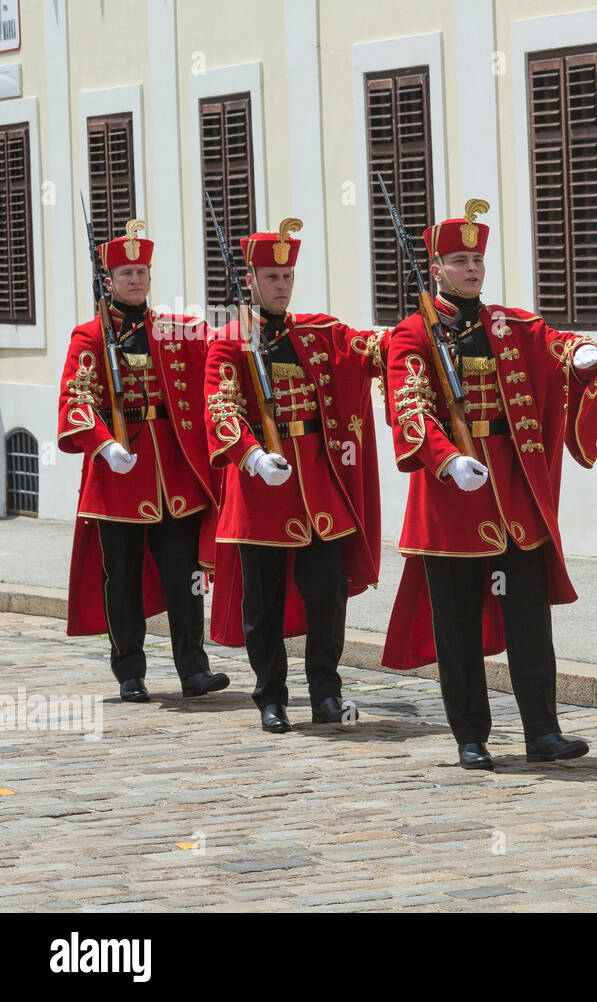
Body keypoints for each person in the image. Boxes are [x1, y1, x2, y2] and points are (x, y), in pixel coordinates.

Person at [381, 201, 597, 770]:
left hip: (513, 493)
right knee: (457, 626)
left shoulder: (509, 324)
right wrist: (444, 459)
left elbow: (553, 343)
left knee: (528, 618)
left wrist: (582, 358)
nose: (472, 270)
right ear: (436, 269)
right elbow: (408, 404)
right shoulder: (411, 334)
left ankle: (543, 731)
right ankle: (470, 734)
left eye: (477, 260)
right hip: (451, 498)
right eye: (459, 261)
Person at [203, 218, 382, 733]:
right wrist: (252, 455)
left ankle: (327, 693)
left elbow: (368, 349)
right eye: (271, 276)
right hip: (262, 488)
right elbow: (219, 407)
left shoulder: (317, 331)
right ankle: (270, 697)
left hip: (316, 490)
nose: (282, 285)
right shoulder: (229, 341)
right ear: (251, 280)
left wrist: (412, 339)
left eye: (287, 276)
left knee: (328, 591)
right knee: (264, 603)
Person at [58, 220, 226, 702]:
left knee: (187, 576)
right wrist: (103, 442)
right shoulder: (89, 335)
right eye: (125, 272)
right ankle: (129, 671)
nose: (135, 279)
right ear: (108, 281)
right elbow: (76, 397)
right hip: (118, 476)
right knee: (122, 578)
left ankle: (193, 668)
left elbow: (221, 358)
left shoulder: (179, 330)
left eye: (141, 271)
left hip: (173, 472)